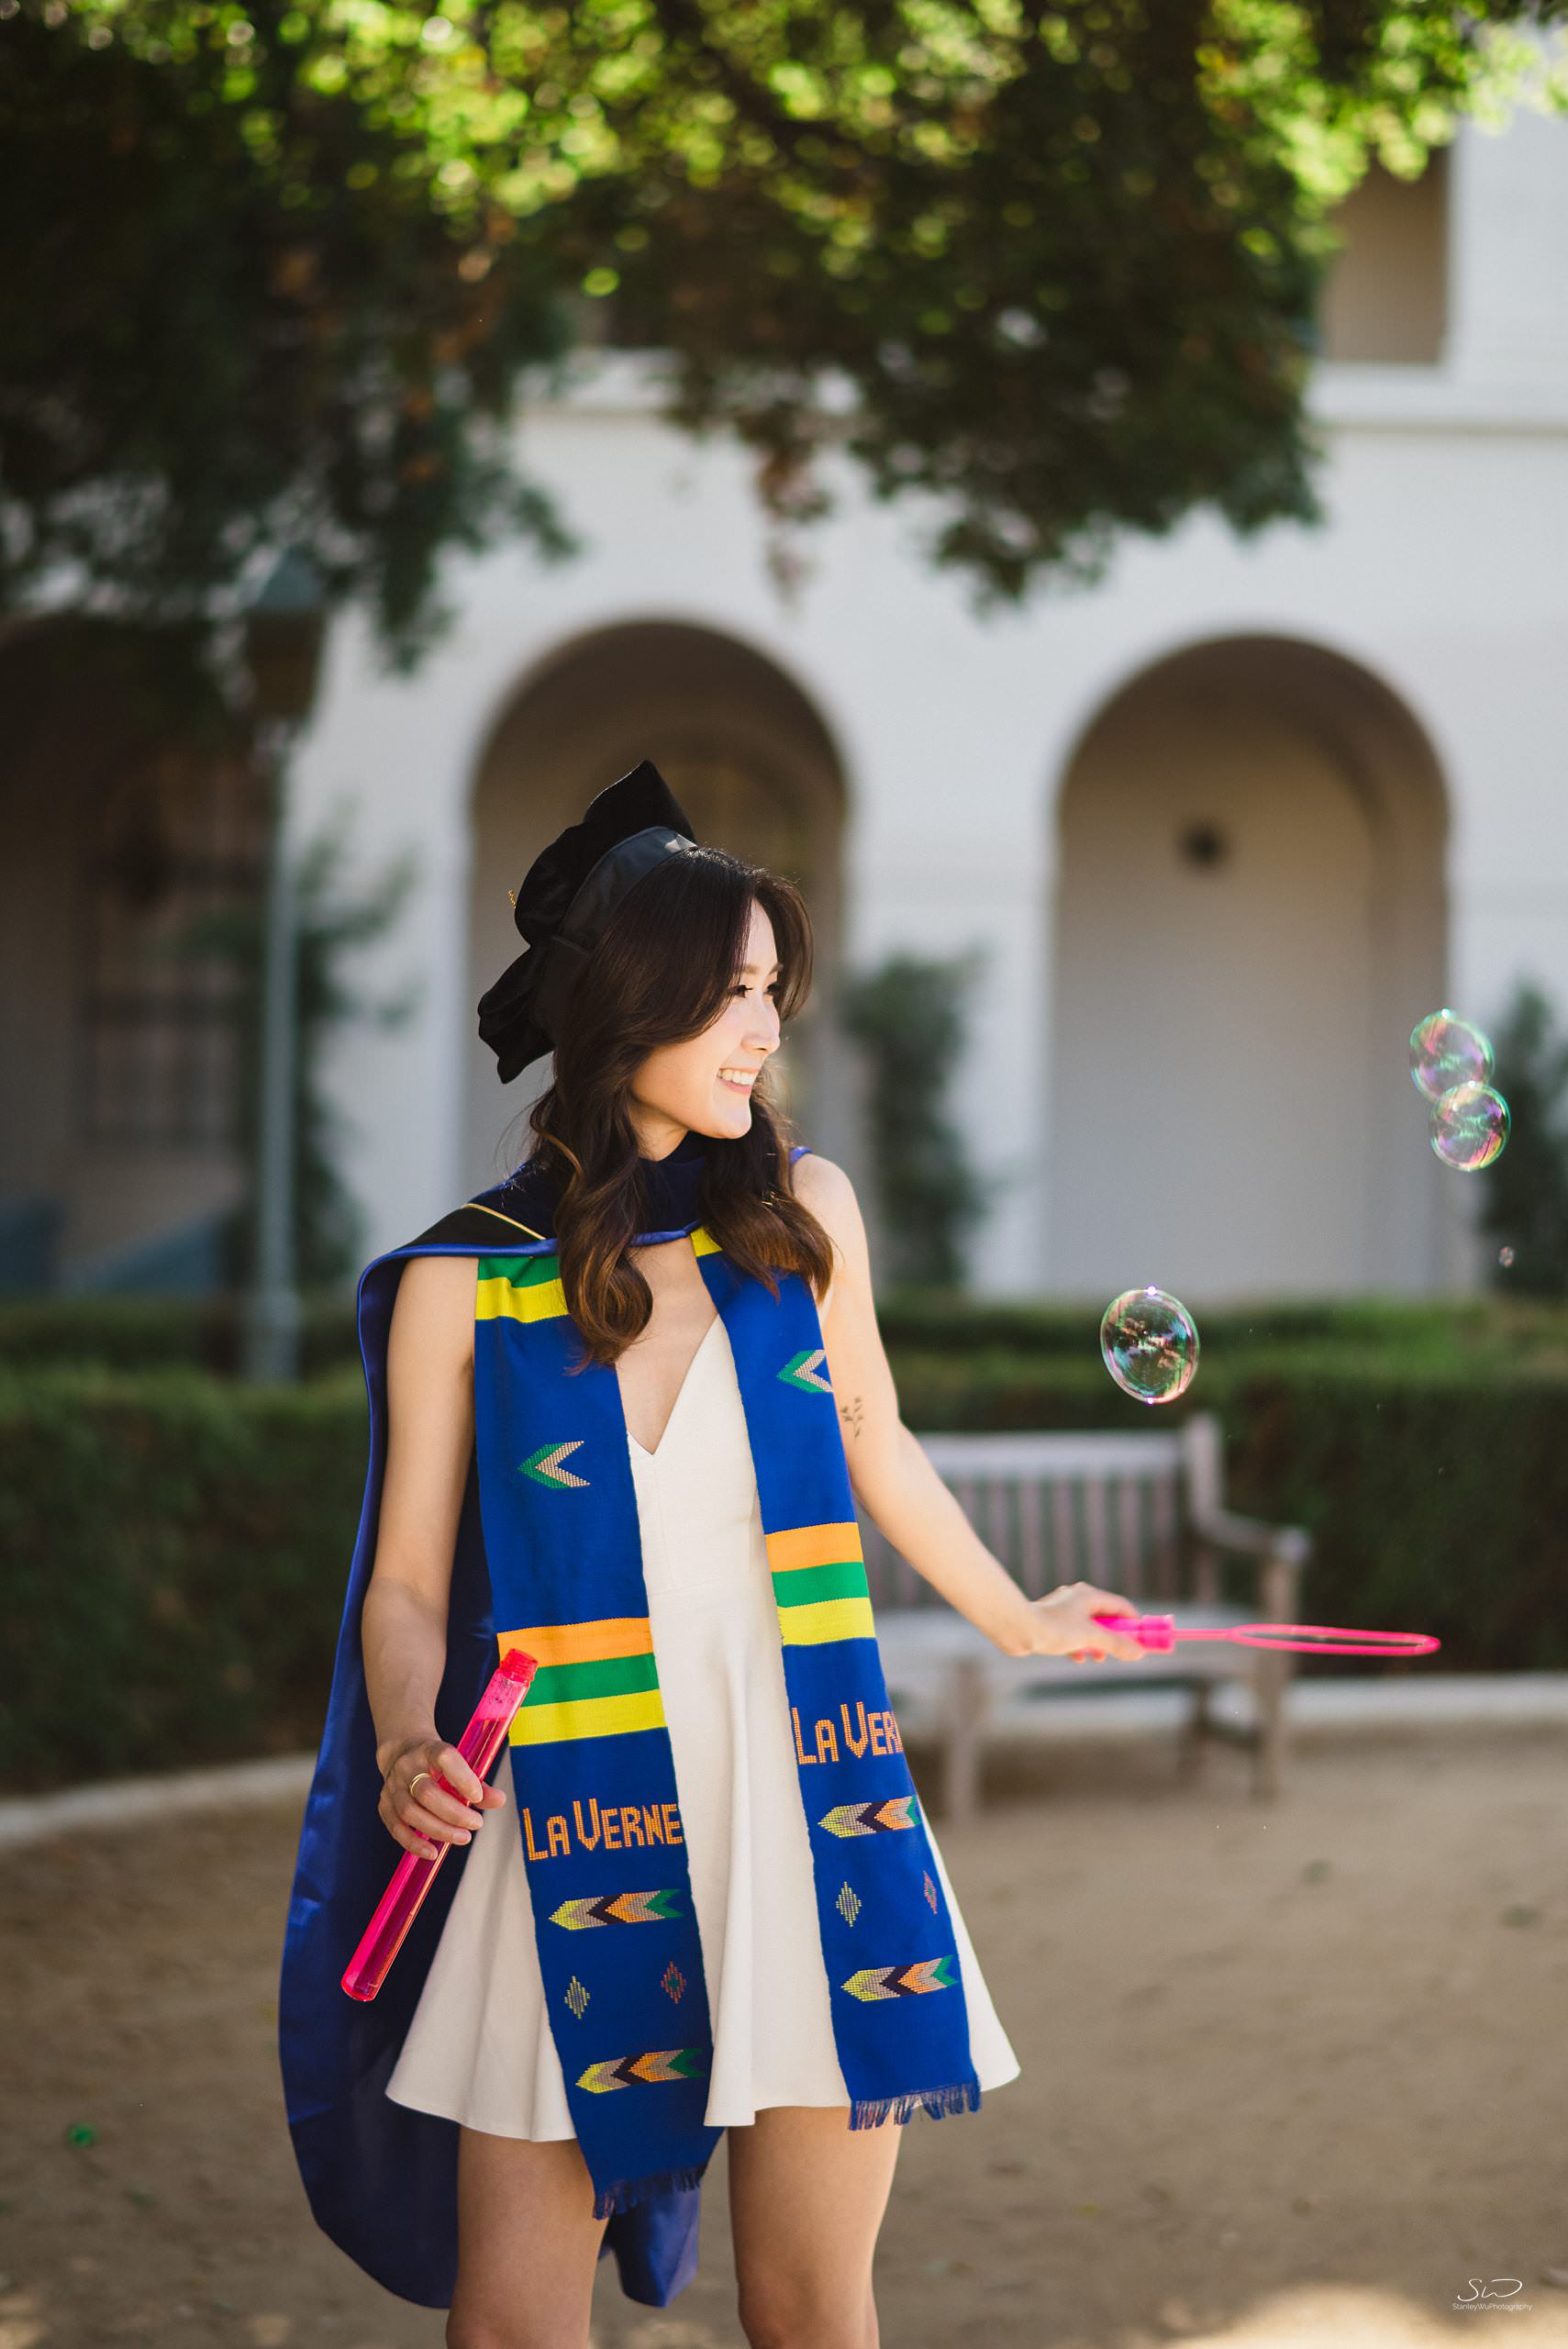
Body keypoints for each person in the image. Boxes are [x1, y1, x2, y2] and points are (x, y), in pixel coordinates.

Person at [278, 758, 1148, 2349]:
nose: (765, 1029)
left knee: (814, 2308)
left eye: (773, 991)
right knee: (512, 2326)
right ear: (628, 1010)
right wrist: (409, 1733)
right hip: (572, 1828)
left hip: (808, 1801)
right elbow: (406, 1580)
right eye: (731, 993)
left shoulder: (802, 1218)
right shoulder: (463, 1282)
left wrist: (1020, 1615)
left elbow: (877, 1442)